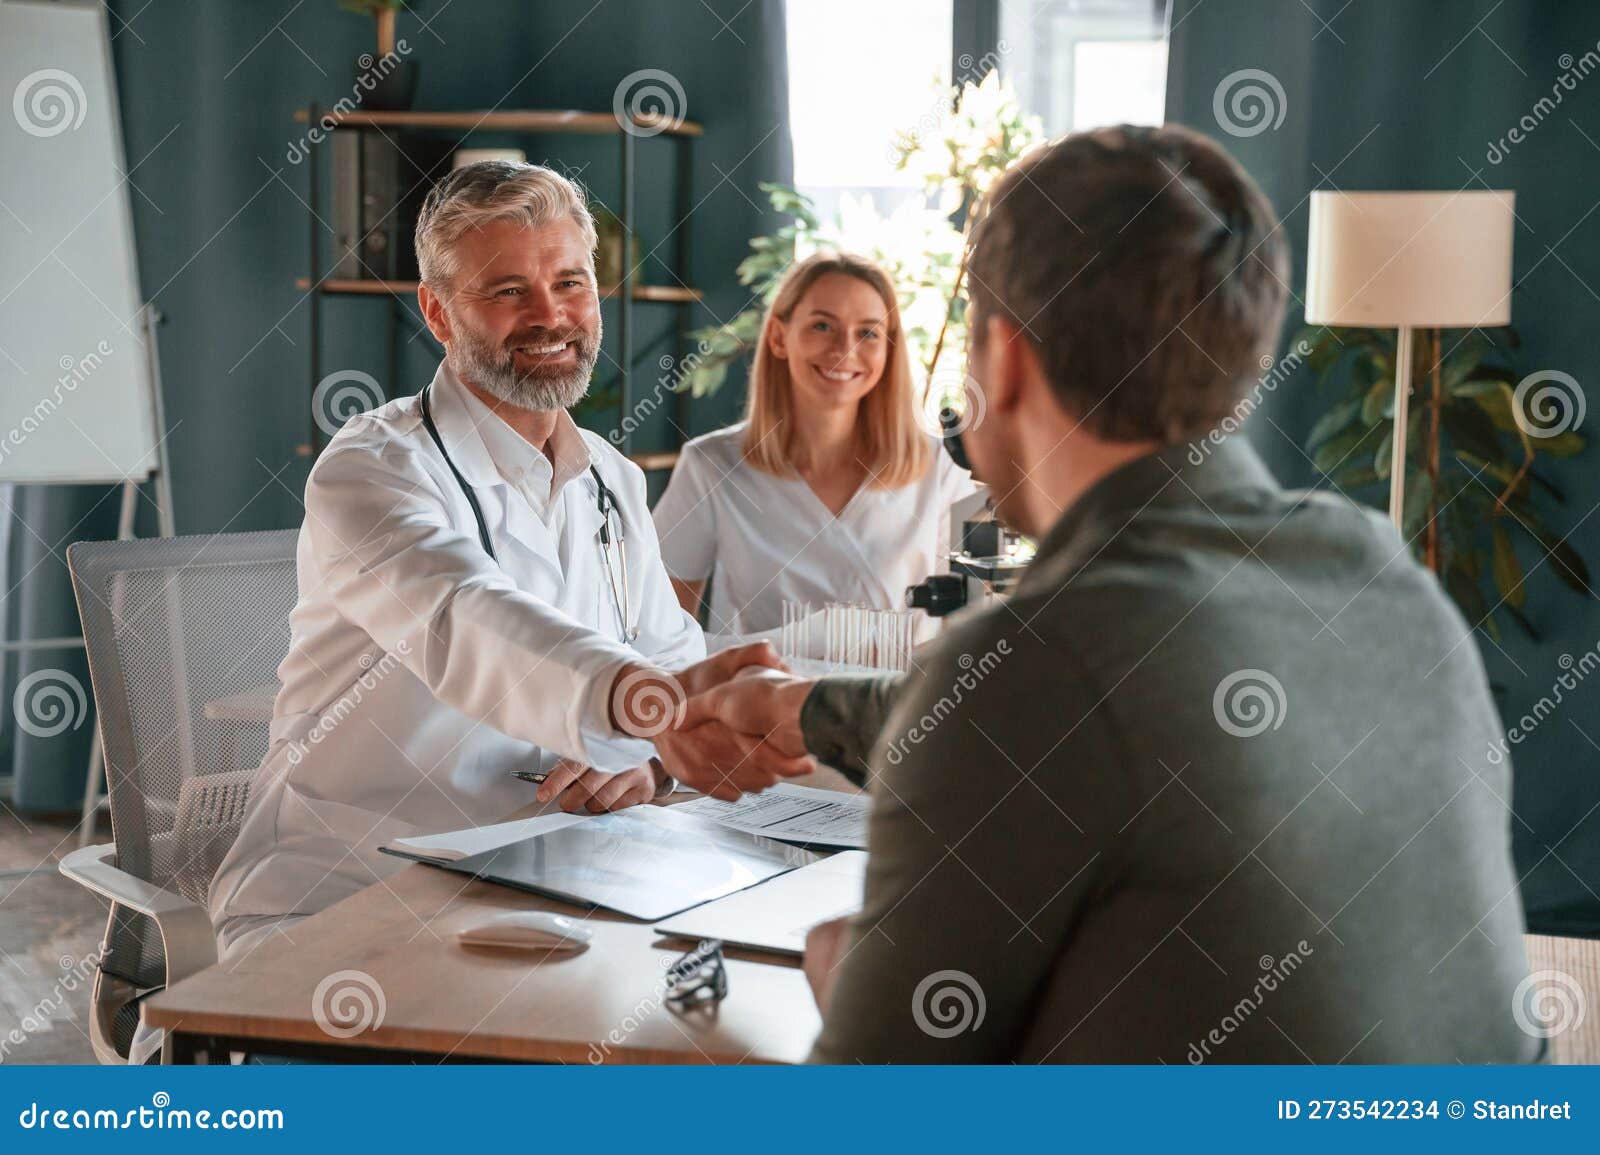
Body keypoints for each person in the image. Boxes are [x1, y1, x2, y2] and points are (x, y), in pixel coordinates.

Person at [670, 125, 1540, 1064]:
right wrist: (801, 709)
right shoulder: (1379, 572)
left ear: (1001, 362)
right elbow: (1062, 721)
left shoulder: (1047, 657)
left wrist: (847, 990)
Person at [209, 162, 809, 964]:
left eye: (570, 281)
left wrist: (649, 768)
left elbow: (670, 664)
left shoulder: (610, 479)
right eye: (508, 291)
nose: (551, 315)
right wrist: (645, 707)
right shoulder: (372, 470)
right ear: (438, 311)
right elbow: (466, 620)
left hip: (553, 884)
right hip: (346, 892)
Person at [652, 252, 975, 646]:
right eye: (822, 326)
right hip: (757, 703)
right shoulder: (711, 466)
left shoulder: (942, 467)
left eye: (869, 333)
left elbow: (971, 626)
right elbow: (661, 632)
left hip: (901, 705)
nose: (845, 349)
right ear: (777, 338)